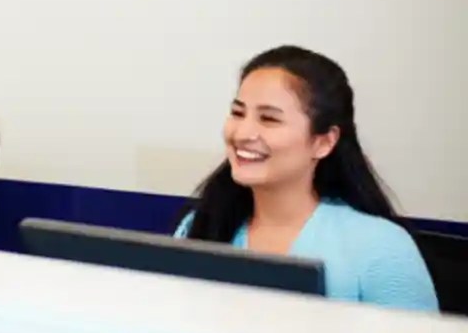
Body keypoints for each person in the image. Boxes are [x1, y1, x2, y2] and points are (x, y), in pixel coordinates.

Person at [175, 45, 438, 311]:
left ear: (323, 142)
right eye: (238, 113)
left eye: (269, 119)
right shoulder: (198, 228)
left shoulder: (382, 247)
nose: (242, 132)